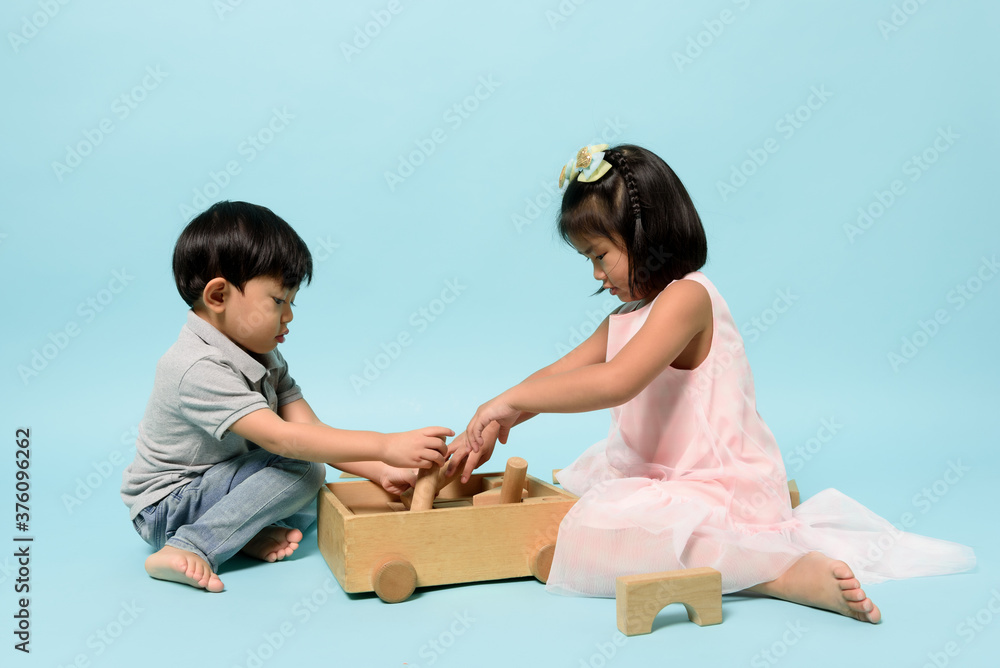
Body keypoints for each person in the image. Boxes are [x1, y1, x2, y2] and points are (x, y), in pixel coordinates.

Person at [456, 144, 976, 623]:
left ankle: (779, 573)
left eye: (599, 255)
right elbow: (562, 374)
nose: (596, 274)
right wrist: (497, 413)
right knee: (584, 510)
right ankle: (746, 560)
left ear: (646, 237)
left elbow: (615, 382)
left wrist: (510, 400)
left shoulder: (687, 299)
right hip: (660, 478)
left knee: (595, 537)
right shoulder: (627, 315)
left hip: (717, 484)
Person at [121, 201, 452, 592]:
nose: (289, 315)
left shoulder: (260, 352)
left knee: (316, 499)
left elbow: (310, 428)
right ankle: (191, 545)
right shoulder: (195, 366)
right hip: (168, 507)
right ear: (218, 296)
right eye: (279, 301)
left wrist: (379, 470)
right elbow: (284, 440)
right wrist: (385, 446)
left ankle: (245, 533)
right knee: (306, 470)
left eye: (292, 302)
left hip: (219, 486)